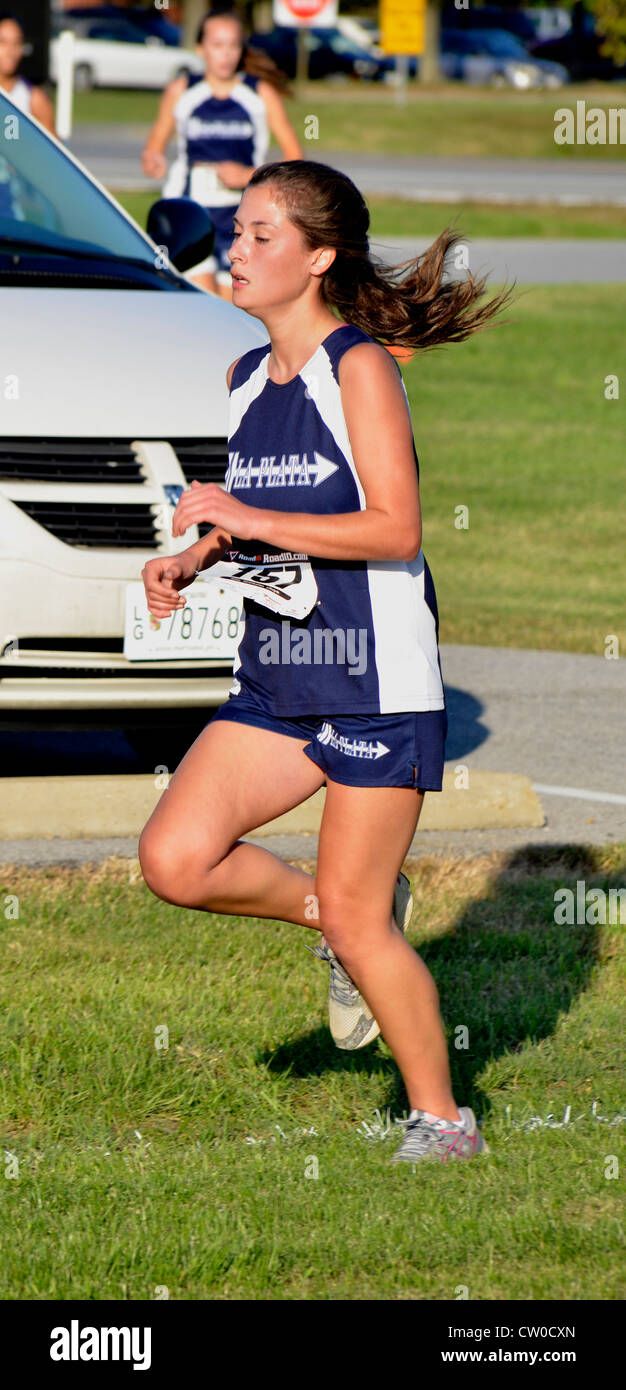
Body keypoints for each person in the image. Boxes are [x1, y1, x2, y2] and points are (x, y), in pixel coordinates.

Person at [138, 160, 515, 1166]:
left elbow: (394, 529)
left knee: (356, 922)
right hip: (277, 674)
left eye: (263, 234)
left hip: (374, 678)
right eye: (237, 229)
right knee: (175, 860)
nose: (238, 247)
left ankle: (443, 1124)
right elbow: (255, 508)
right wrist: (194, 553)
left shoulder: (358, 368)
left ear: (317, 258)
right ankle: (345, 918)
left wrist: (239, 514)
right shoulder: (241, 377)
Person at [141, 8, 301, 299]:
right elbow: (155, 145)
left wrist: (247, 175)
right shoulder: (182, 90)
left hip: (239, 218)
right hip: (191, 215)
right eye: (217, 45)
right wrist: (153, 159)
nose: (226, 54)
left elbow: (296, 162)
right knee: (200, 305)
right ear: (201, 48)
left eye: (233, 46)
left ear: (241, 50)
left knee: (231, 307)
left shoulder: (259, 94)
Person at [0, 11, 56, 134]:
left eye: (16, 43)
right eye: (3, 42)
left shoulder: (34, 99)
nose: (11, 51)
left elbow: (49, 150)